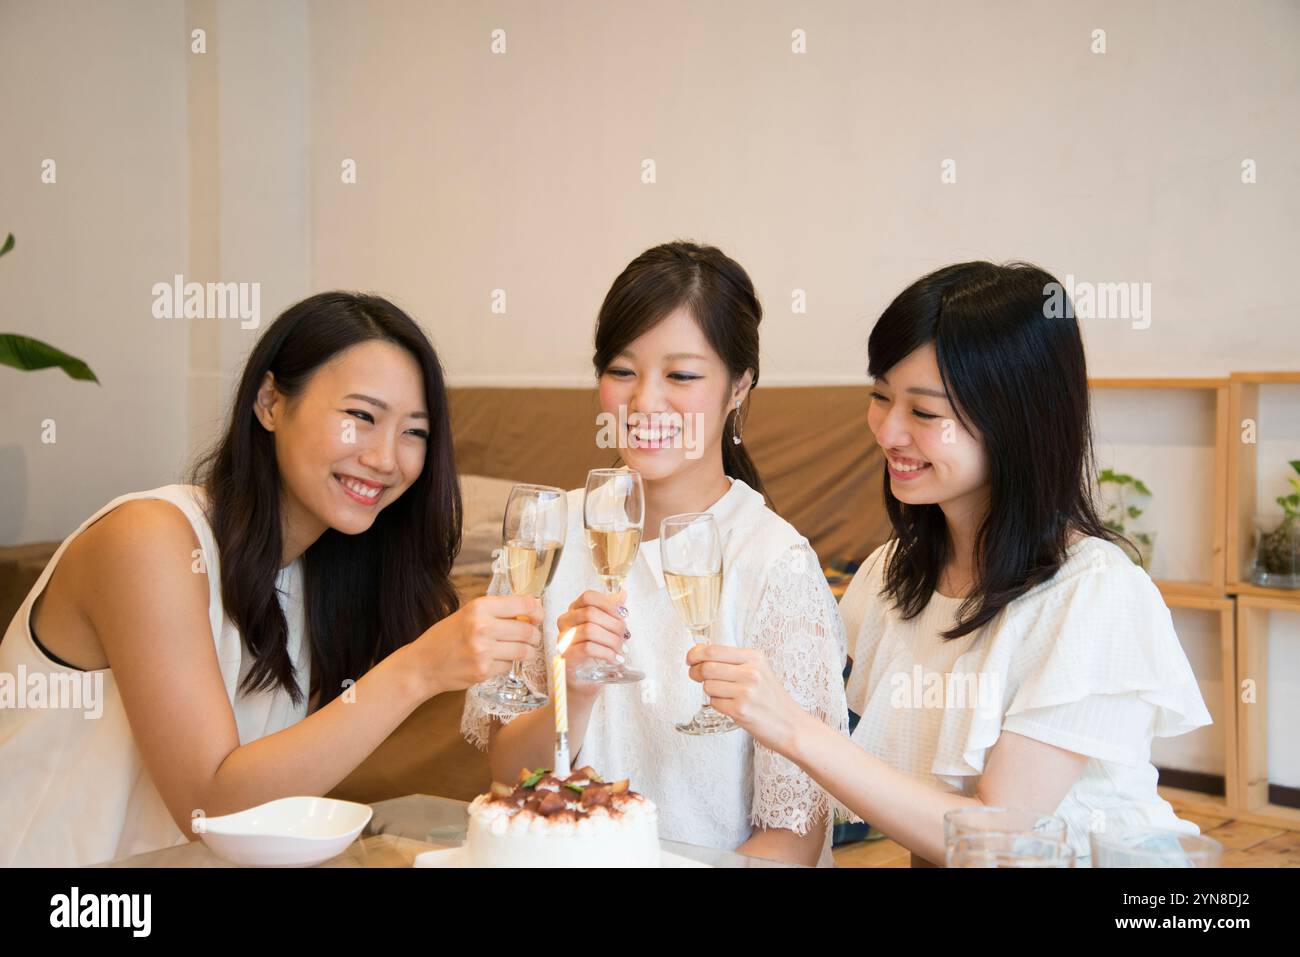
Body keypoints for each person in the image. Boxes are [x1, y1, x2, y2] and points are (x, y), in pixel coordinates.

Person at [685, 261, 1213, 865]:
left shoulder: (1095, 594)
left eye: (925, 413)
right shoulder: (892, 575)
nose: (887, 432)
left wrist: (796, 730)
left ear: (1016, 421)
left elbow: (997, 842)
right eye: (879, 397)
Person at [0, 292, 542, 866]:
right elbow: (210, 808)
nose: (387, 458)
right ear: (269, 402)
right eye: (361, 416)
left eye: (415, 432)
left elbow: (267, 799)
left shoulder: (325, 578)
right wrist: (417, 670)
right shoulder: (148, 540)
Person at [462, 241, 850, 866]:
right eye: (622, 371)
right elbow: (508, 780)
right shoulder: (545, 532)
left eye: (682, 375)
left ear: (738, 387)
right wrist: (576, 692)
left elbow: (795, 833)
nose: (644, 402)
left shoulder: (773, 561)